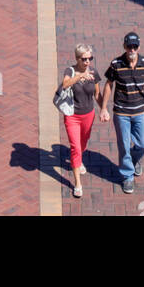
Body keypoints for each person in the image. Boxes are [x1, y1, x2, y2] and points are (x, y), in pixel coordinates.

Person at [99, 32, 144, 193]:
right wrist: (103, 108)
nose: (132, 49)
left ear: (139, 47)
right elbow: (109, 85)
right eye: (129, 46)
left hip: (140, 111)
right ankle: (127, 176)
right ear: (124, 46)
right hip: (122, 112)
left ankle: (132, 160)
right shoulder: (116, 63)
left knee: (143, 144)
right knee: (123, 145)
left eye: (135, 46)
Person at [60, 44, 104, 197]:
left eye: (90, 58)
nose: (87, 62)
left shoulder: (94, 72)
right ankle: (77, 183)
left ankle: (78, 161)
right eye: (84, 59)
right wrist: (80, 76)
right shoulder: (70, 71)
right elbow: (65, 84)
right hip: (72, 115)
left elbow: (97, 94)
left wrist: (103, 109)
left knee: (83, 143)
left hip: (88, 114)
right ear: (77, 59)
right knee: (75, 148)